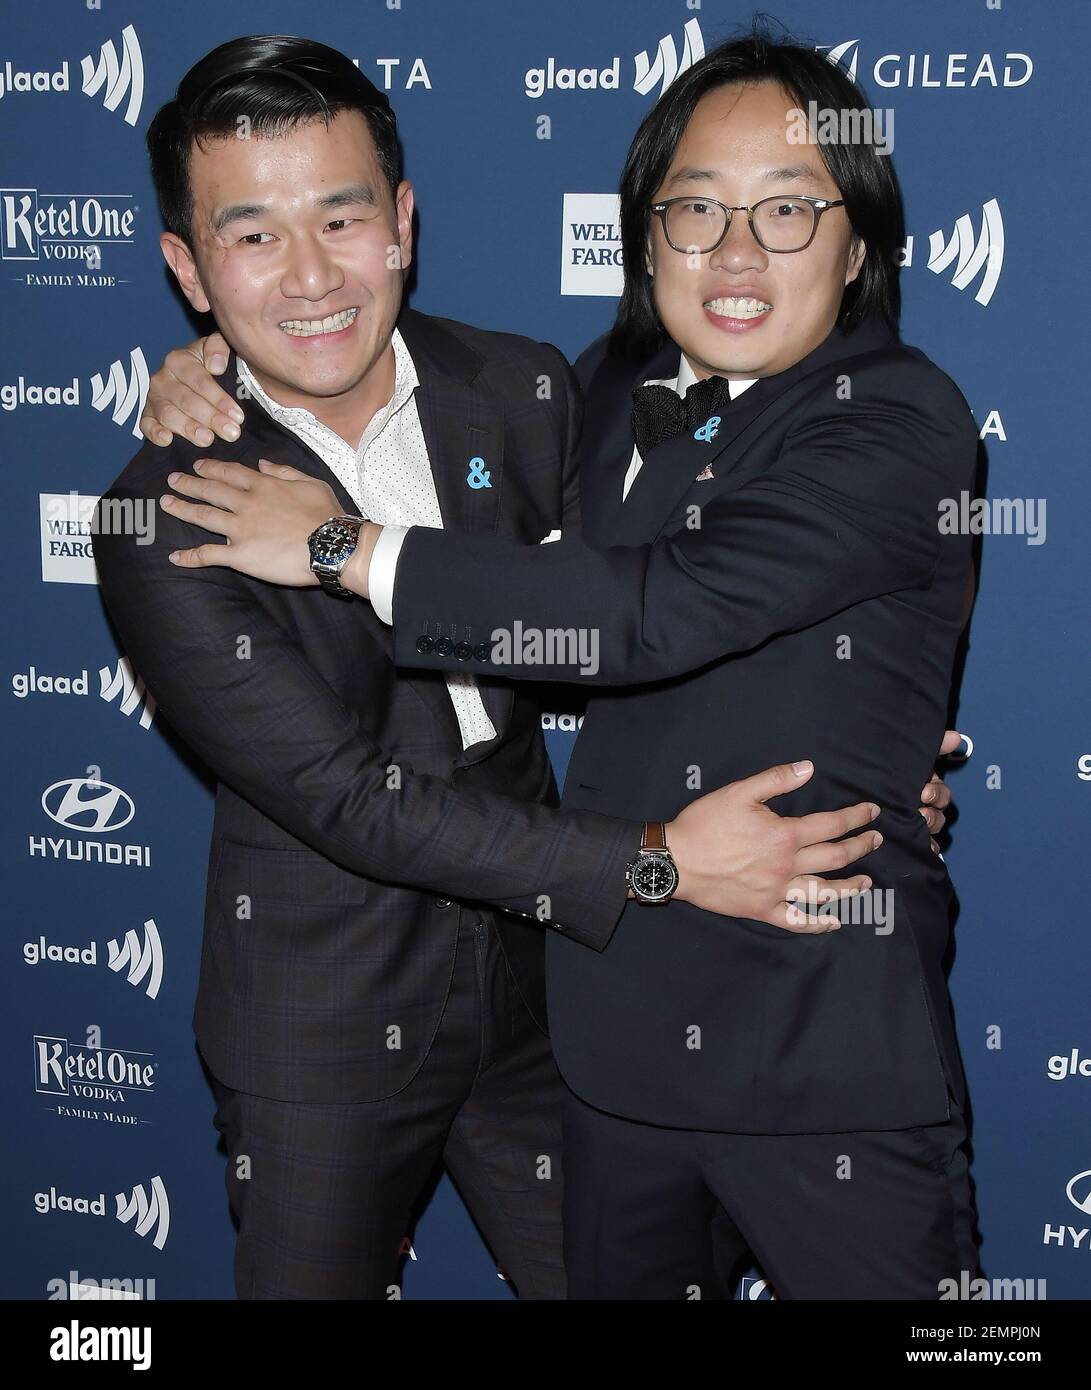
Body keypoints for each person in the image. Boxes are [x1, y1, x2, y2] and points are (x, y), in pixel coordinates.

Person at [158, 32, 981, 1299]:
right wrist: (193, 372)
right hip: (579, 1045)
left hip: (812, 1050)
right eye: (695, 210)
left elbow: (647, 610)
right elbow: (412, 729)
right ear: (644, 238)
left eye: (786, 211)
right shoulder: (594, 387)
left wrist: (334, 545)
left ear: (860, 244)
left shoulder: (897, 418)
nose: (735, 252)